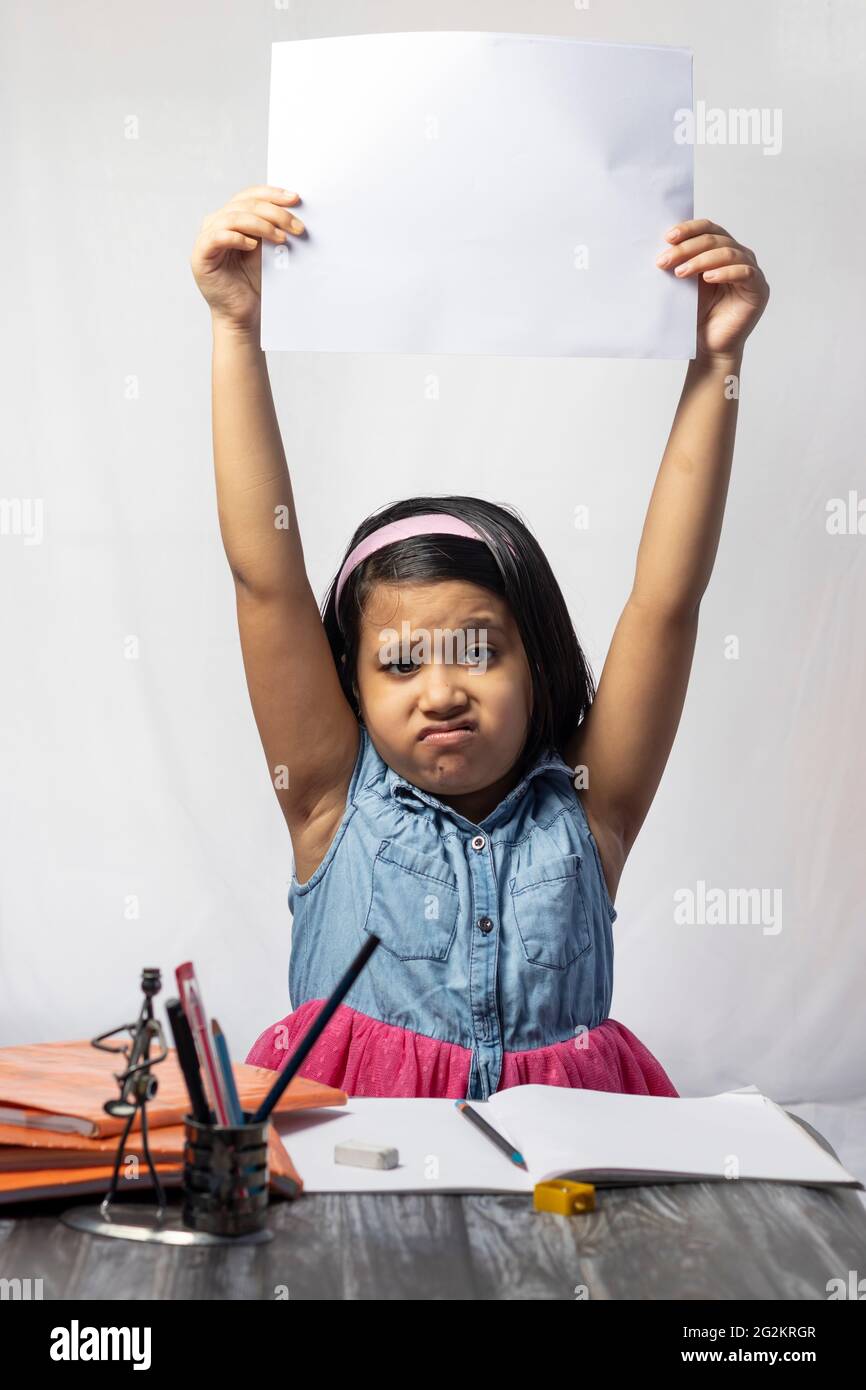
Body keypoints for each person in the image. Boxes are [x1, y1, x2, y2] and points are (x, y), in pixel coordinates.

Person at [190, 184, 770, 1101]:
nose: (442, 691)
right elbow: (265, 578)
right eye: (400, 663)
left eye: (479, 651)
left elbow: (667, 603)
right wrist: (235, 333)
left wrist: (718, 359)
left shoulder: (591, 809)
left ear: (537, 668)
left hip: (561, 1189)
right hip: (362, 1189)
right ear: (351, 684)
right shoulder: (330, 805)